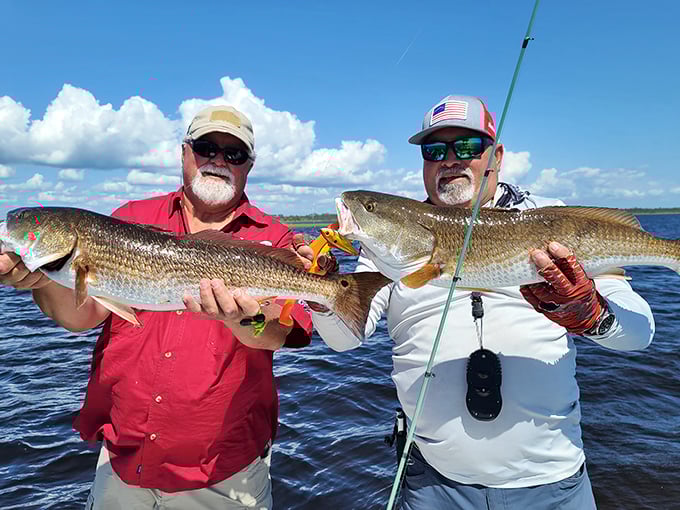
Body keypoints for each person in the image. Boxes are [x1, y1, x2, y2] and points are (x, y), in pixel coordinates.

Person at [310, 95, 655, 509]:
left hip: (553, 483)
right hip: (432, 483)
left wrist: (595, 316)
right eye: (435, 150)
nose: (451, 160)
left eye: (469, 147)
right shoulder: (390, 245)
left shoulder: (552, 220)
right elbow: (345, 340)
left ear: (497, 155)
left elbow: (640, 334)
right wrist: (320, 294)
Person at [0, 105, 323, 509]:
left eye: (234, 154)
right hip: (122, 462)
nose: (218, 161)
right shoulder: (129, 219)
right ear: (184, 152)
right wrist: (42, 280)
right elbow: (79, 316)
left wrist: (248, 318)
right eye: (206, 147)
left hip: (223, 472)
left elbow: (288, 332)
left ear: (249, 165)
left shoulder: (276, 239)